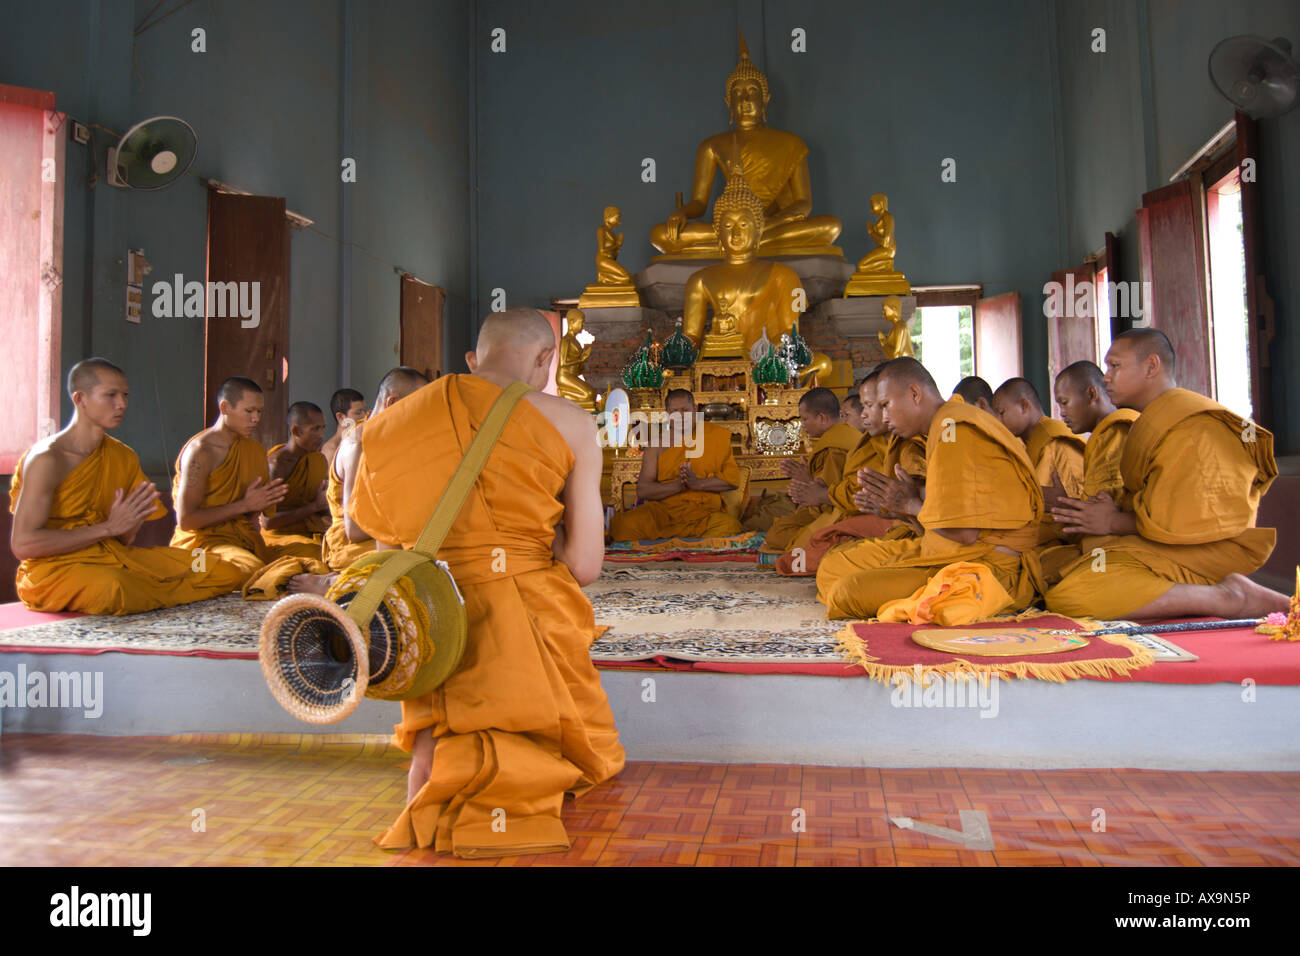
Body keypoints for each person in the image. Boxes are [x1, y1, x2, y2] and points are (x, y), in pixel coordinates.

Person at [349, 307, 624, 858]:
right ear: (546, 359)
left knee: (446, 703)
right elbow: (586, 565)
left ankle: (437, 766)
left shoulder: (385, 426)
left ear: (475, 357)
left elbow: (371, 540)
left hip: (431, 621)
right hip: (522, 614)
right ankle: (496, 783)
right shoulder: (568, 421)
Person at [1045, 329, 1287, 620]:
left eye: (1116, 366)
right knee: (1071, 571)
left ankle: (1228, 597)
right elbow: (1151, 500)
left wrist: (1111, 520)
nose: (1106, 376)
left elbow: (1189, 519)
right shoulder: (1152, 423)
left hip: (1208, 546)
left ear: (1151, 366)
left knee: (1074, 594)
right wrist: (1109, 511)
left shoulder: (1195, 428)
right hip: (1167, 540)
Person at [9, 359, 244, 613]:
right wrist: (107, 527)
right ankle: (155, 591)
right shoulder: (48, 458)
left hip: (114, 558)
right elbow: (24, 544)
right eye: (110, 395)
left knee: (217, 569)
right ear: (80, 399)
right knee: (114, 588)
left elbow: (123, 540)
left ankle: (153, 591)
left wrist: (128, 524)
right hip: (54, 572)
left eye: (125, 395)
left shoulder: (123, 456)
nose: (121, 404)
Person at [816, 358, 1043, 619]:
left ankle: (964, 599)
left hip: (985, 567)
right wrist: (903, 509)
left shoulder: (954, 430)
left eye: (886, 405)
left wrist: (909, 505)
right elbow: (941, 525)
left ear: (914, 393)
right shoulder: (944, 426)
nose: (885, 417)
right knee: (833, 568)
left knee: (848, 593)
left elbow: (964, 531)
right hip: (947, 551)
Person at [288, 368, 432, 595]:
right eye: (417, 407)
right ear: (392, 402)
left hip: (387, 536)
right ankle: (332, 583)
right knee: (411, 566)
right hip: (352, 545)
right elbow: (353, 528)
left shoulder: (395, 442)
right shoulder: (357, 444)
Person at [773, 370, 923, 575]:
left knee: (822, 558)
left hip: (908, 529)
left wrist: (821, 493)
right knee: (822, 555)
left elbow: (928, 511)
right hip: (876, 516)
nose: (863, 415)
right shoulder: (875, 441)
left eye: (871, 406)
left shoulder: (918, 442)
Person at [170, 377, 289, 579]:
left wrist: (258, 505)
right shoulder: (201, 452)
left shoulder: (254, 450)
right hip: (201, 545)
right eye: (249, 411)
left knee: (305, 559)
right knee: (251, 570)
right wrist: (244, 505)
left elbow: (255, 516)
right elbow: (186, 520)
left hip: (242, 541)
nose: (256, 419)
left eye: (259, 412)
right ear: (225, 408)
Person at [607, 389, 742, 542]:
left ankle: (677, 544)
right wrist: (677, 486)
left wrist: (698, 483)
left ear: (695, 410)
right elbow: (643, 490)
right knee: (624, 525)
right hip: (665, 513)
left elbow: (732, 481)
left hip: (704, 514)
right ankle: (696, 545)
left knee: (730, 525)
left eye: (685, 410)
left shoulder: (715, 436)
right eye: (674, 412)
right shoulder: (656, 445)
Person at [761, 388, 860, 554]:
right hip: (835, 508)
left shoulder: (834, 448)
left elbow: (829, 498)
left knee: (776, 535)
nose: (802, 425)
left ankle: (836, 541)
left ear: (821, 418)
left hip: (839, 514)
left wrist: (806, 480)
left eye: (805, 419)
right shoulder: (844, 435)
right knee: (782, 525)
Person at [992, 376, 1085, 538]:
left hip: (1062, 536)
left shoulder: (1056, 440)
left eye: (1002, 413)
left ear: (1024, 405)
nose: (998, 422)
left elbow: (1076, 507)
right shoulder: (1024, 444)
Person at [1053, 360, 1139, 501]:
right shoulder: (1105, 434)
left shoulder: (1115, 433)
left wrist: (1062, 503)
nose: (1062, 413)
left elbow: (1105, 508)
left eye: (1064, 402)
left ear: (1091, 394)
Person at [261, 402, 330, 558]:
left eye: (322, 428)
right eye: (315, 429)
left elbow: (323, 504)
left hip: (312, 531)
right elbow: (268, 523)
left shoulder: (318, 460)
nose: (321, 435)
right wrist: (313, 507)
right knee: (319, 554)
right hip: (279, 537)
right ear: (296, 430)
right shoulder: (276, 465)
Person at [320, 387, 366, 463]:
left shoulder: (360, 442)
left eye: (365, 411)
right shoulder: (331, 450)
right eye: (358, 413)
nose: (365, 417)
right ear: (341, 417)